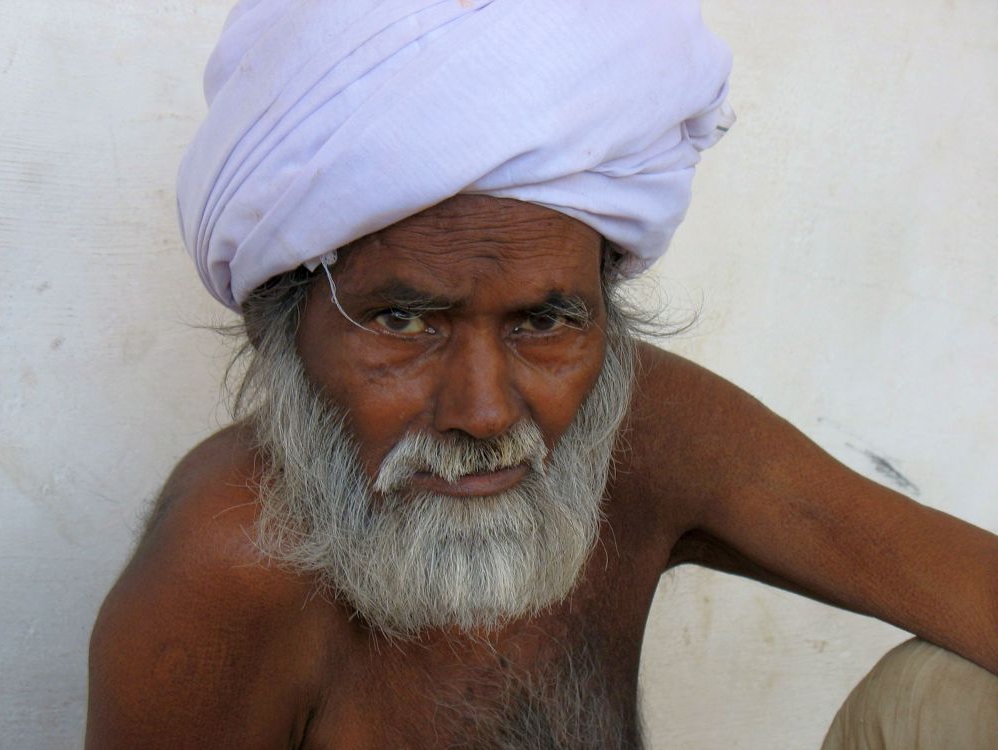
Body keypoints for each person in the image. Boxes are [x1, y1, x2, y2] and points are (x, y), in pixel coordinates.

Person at [86, 1, 998, 748]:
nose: (484, 412)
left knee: (956, 696)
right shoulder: (230, 562)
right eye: (403, 322)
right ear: (285, 324)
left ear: (603, 316)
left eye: (545, 322)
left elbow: (963, 585)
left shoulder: (640, 426)